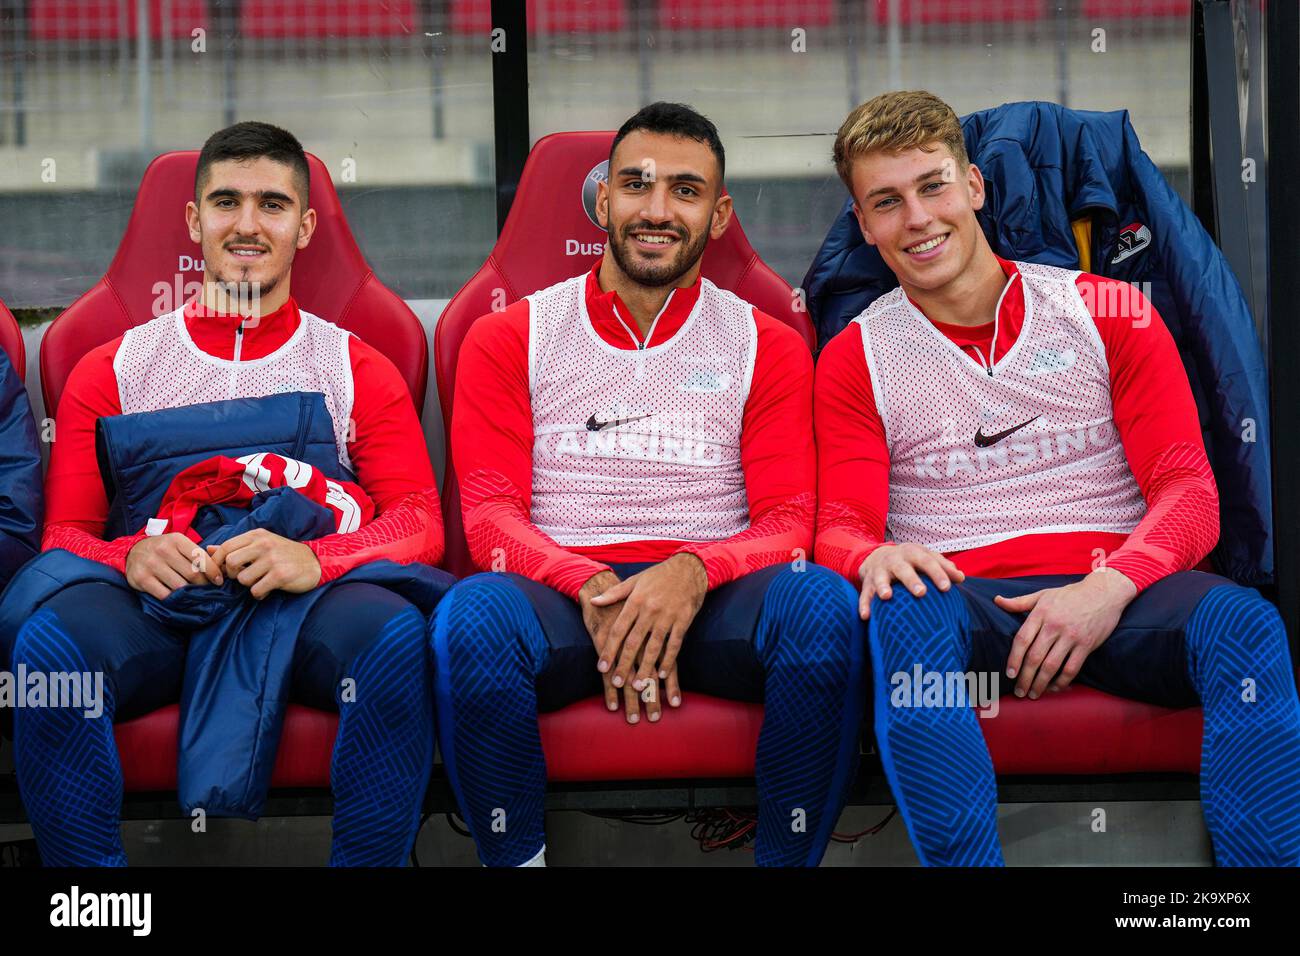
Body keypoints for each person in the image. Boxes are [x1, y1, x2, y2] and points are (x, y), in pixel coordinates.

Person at [815, 89, 1300, 866]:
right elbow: (838, 523)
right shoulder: (853, 356)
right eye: (886, 202)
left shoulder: (1108, 310)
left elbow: (1190, 493)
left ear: (974, 187)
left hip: (1120, 593)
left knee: (1244, 627)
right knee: (903, 620)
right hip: (966, 607)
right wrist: (865, 554)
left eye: (933, 185)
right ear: (865, 225)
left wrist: (1108, 588)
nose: (917, 219)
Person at [2, 121, 447, 866]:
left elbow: (420, 523)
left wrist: (322, 561)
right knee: (52, 651)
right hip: (151, 607)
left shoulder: (355, 368)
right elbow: (64, 537)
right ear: (193, 220)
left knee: (395, 639)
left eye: (272, 205)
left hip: (305, 601)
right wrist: (131, 557)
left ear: (304, 226)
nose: (247, 225)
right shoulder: (109, 370)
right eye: (226, 202)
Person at [431, 102, 864, 867]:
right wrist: (591, 583)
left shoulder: (767, 342)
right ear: (602, 201)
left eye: (686, 191)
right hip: (562, 598)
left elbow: (791, 517)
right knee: (472, 616)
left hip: (717, 597)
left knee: (819, 605)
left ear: (719, 214)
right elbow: (491, 518)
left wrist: (694, 571)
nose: (657, 210)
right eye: (636, 185)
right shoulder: (506, 335)